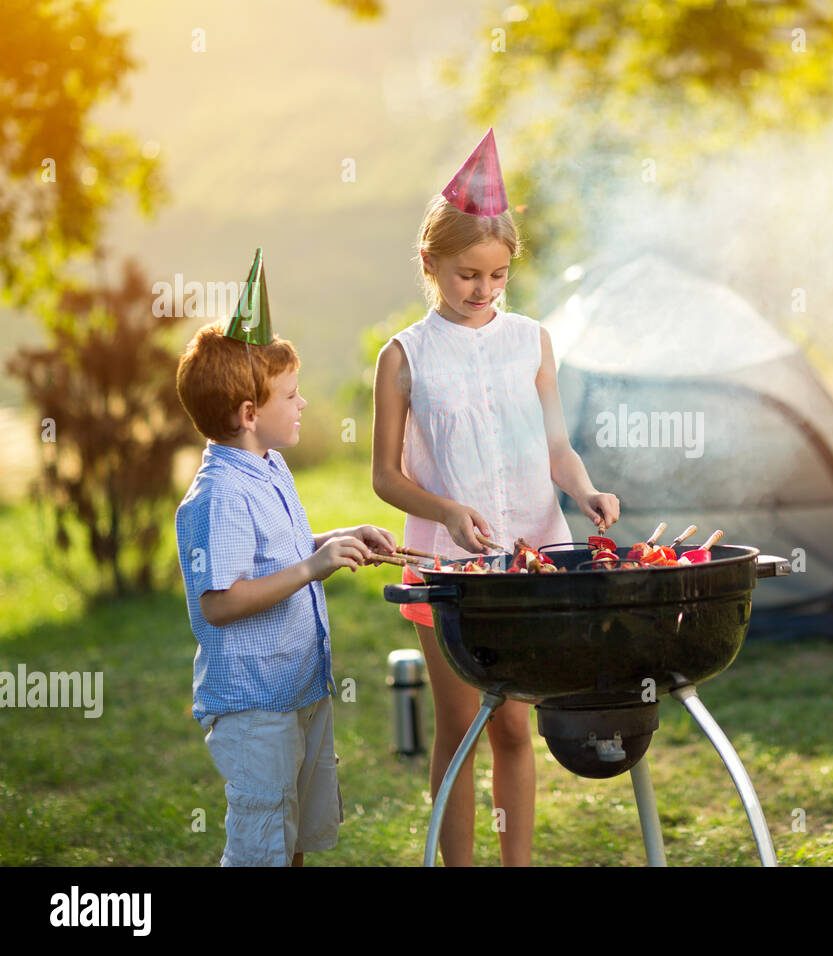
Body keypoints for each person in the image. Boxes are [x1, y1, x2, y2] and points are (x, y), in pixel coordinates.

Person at [371, 129, 620, 866]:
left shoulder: (532, 342)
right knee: (459, 728)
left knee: (515, 728)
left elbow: (556, 448)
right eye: (466, 276)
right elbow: (385, 477)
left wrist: (585, 490)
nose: (482, 292)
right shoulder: (404, 357)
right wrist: (447, 511)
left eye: (497, 276)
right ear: (431, 264)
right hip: (451, 573)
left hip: (531, 564)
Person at [175, 250, 396, 866]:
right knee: (262, 843)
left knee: (292, 837)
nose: (302, 405)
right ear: (249, 415)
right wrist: (311, 569)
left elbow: (276, 552)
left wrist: (333, 540)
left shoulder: (267, 465)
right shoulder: (218, 494)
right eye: (292, 395)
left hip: (298, 687)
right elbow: (220, 602)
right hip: (254, 705)